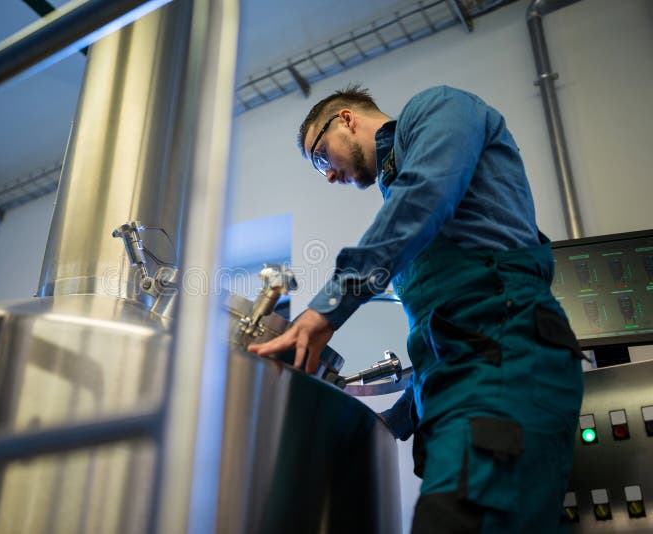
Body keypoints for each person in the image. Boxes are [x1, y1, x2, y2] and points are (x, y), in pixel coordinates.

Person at [248, 85, 585, 533]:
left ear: (346, 119)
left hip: (508, 363)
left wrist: (325, 309)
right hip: (470, 382)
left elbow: (423, 197)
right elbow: (447, 338)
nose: (327, 175)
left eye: (320, 155)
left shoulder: (439, 109)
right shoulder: (402, 202)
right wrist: (385, 423)